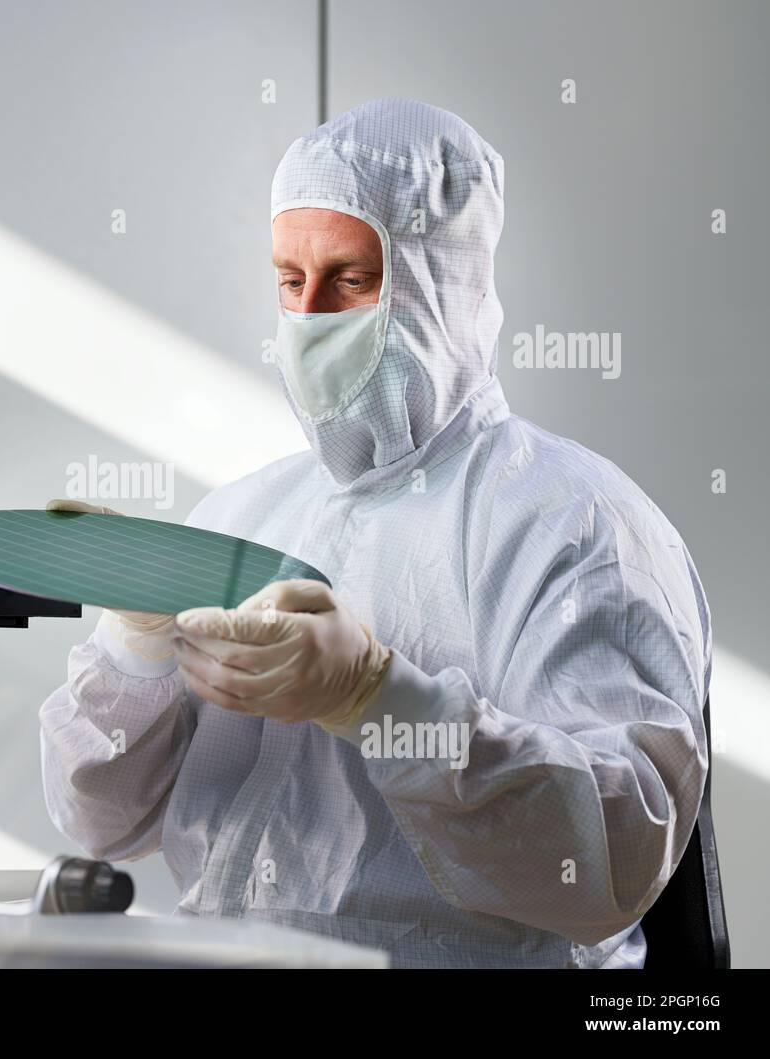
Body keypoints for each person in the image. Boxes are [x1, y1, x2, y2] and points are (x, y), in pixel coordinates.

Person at [38, 99, 710, 968]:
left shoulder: (577, 527)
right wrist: (136, 642)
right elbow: (101, 822)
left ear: (443, 281)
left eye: (350, 279)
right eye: (289, 281)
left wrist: (382, 700)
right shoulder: (239, 516)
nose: (311, 315)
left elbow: (609, 863)